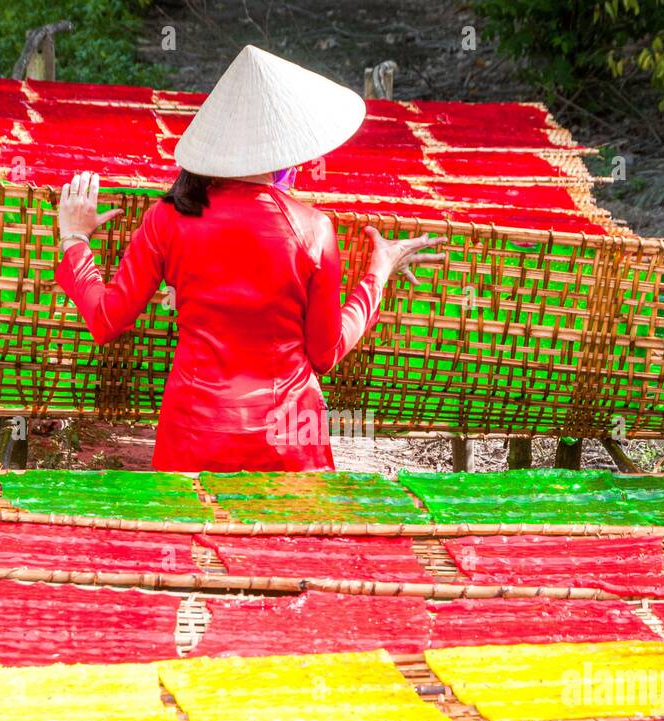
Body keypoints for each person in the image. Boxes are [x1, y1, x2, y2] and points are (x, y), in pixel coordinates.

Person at [54, 45, 443, 472]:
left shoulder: (168, 218)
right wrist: (378, 274)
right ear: (286, 146)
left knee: (193, 534)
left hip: (193, 434)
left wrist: (75, 240)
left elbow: (108, 320)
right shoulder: (314, 229)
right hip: (290, 438)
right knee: (288, 539)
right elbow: (325, 352)